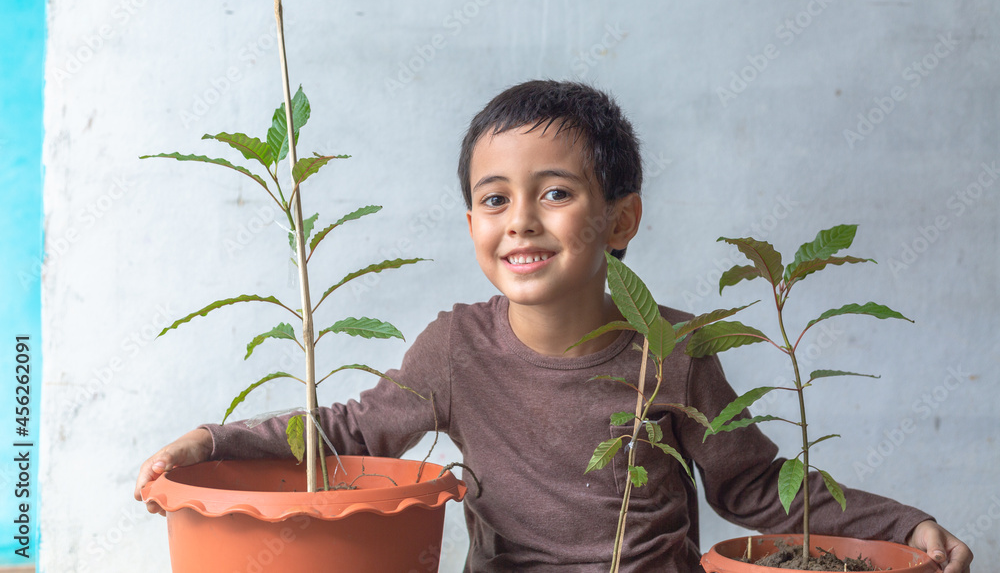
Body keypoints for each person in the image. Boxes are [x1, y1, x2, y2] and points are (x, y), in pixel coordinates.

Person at [135, 80, 973, 572]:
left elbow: (753, 487)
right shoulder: (456, 347)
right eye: (495, 198)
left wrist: (903, 524)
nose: (521, 220)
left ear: (621, 219)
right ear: (471, 225)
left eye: (556, 191)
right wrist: (211, 441)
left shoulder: (673, 350)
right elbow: (350, 429)